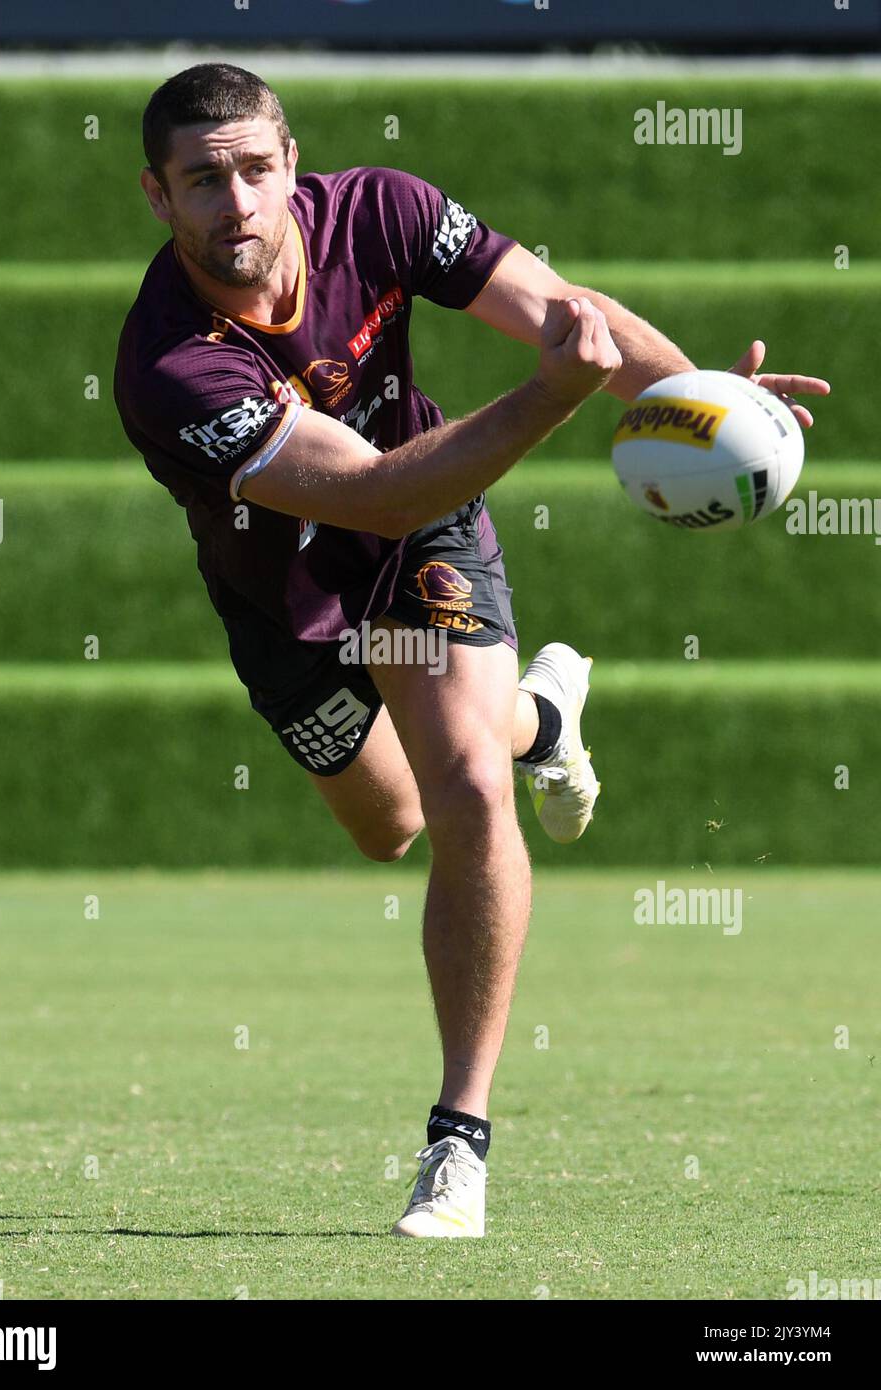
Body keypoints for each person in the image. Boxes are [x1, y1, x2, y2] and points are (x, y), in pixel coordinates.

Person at [114, 63, 828, 1238]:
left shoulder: (382, 211)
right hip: (299, 579)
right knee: (387, 823)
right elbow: (378, 497)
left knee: (465, 790)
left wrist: (697, 398)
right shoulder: (166, 361)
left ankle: (459, 1143)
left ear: (292, 163)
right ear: (159, 196)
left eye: (253, 171)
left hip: (423, 529)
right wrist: (552, 399)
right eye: (203, 182)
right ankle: (544, 712)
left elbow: (563, 314)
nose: (235, 203)